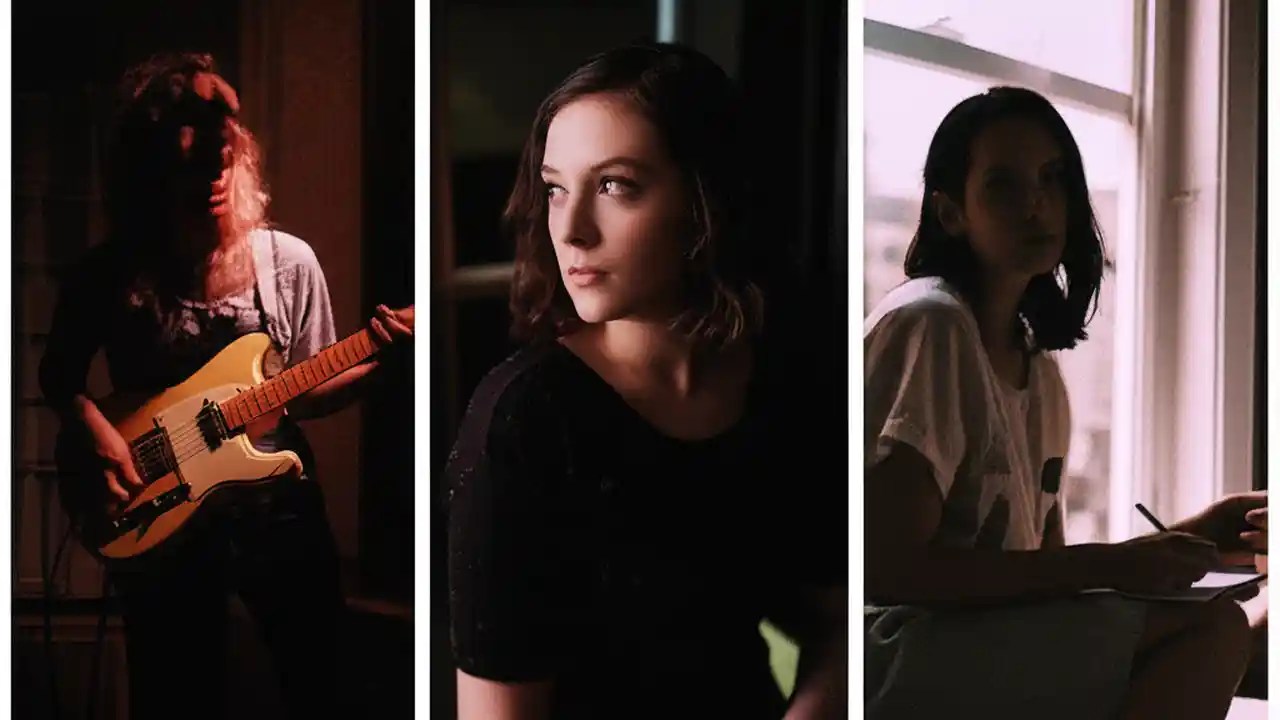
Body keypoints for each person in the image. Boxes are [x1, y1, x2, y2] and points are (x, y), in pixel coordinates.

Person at [445, 42, 847, 719]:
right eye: (555, 189)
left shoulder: (788, 378)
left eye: (615, 186)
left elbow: (838, 621)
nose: (571, 231)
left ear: (704, 200)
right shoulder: (523, 419)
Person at [863, 85, 1267, 720]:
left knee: (1229, 628)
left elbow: (1040, 574)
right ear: (950, 213)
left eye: (1052, 178)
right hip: (892, 650)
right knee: (1214, 631)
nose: (1037, 203)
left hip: (970, 648)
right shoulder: (930, 324)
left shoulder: (1039, 371)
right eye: (1004, 185)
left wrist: (1197, 539)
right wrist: (1114, 564)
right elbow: (887, 569)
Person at [38, 52, 412, 720]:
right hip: (157, 509)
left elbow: (304, 393)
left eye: (223, 164)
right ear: (148, 172)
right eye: (188, 169)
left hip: (276, 508)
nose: (211, 180)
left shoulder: (287, 263)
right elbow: (58, 374)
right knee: (175, 694)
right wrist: (94, 432)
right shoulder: (107, 272)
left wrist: (382, 359)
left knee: (321, 681)